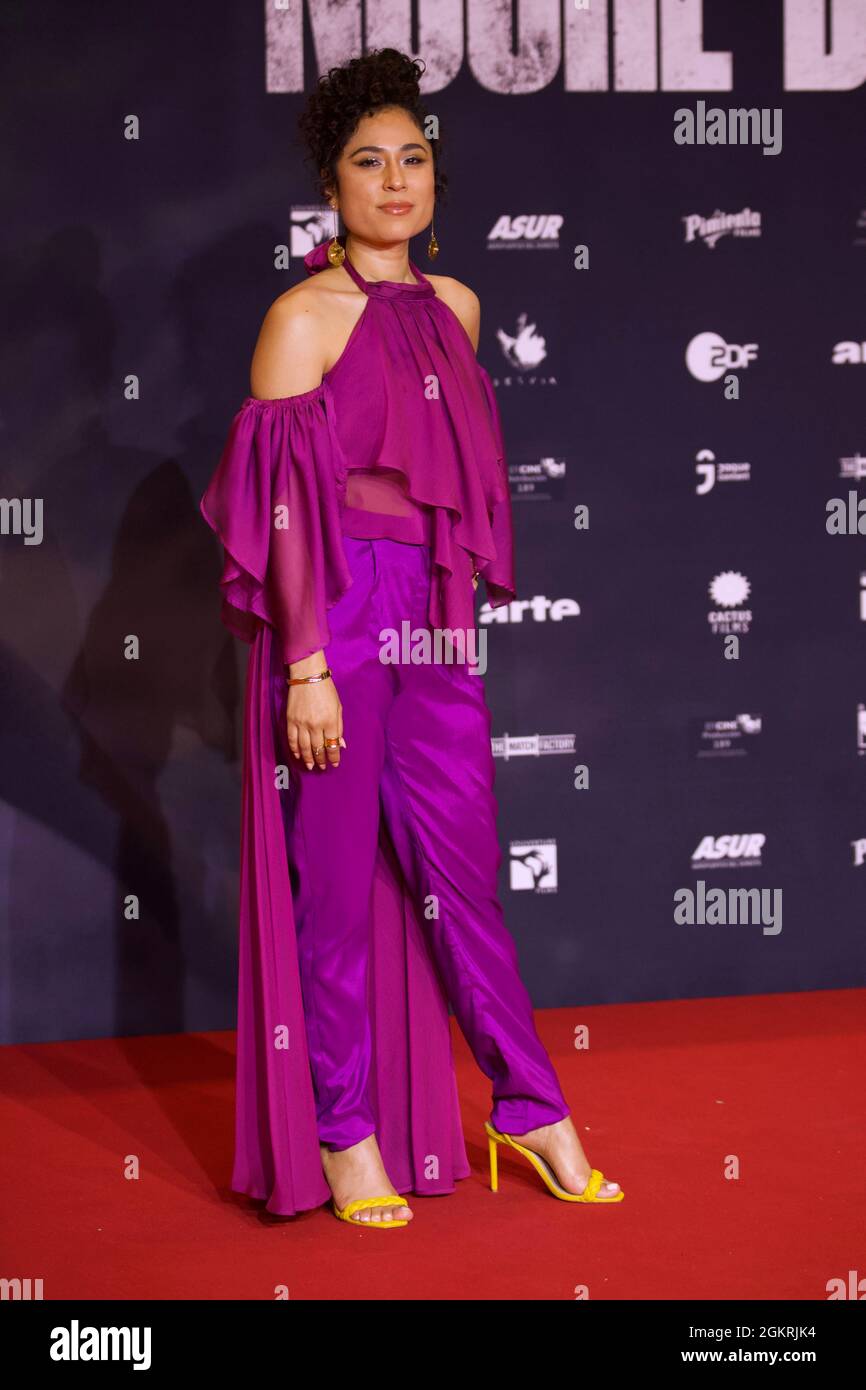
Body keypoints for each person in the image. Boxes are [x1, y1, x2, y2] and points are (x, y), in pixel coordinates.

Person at [200, 47, 622, 1228]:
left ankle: (526, 1105)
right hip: (329, 623)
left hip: (432, 629)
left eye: (413, 159)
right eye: (367, 162)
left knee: (462, 880)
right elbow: (282, 515)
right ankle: (343, 1132)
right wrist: (304, 668)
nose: (395, 181)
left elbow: (443, 490)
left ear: (435, 177)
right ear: (329, 187)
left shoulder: (460, 310)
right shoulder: (299, 318)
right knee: (332, 895)